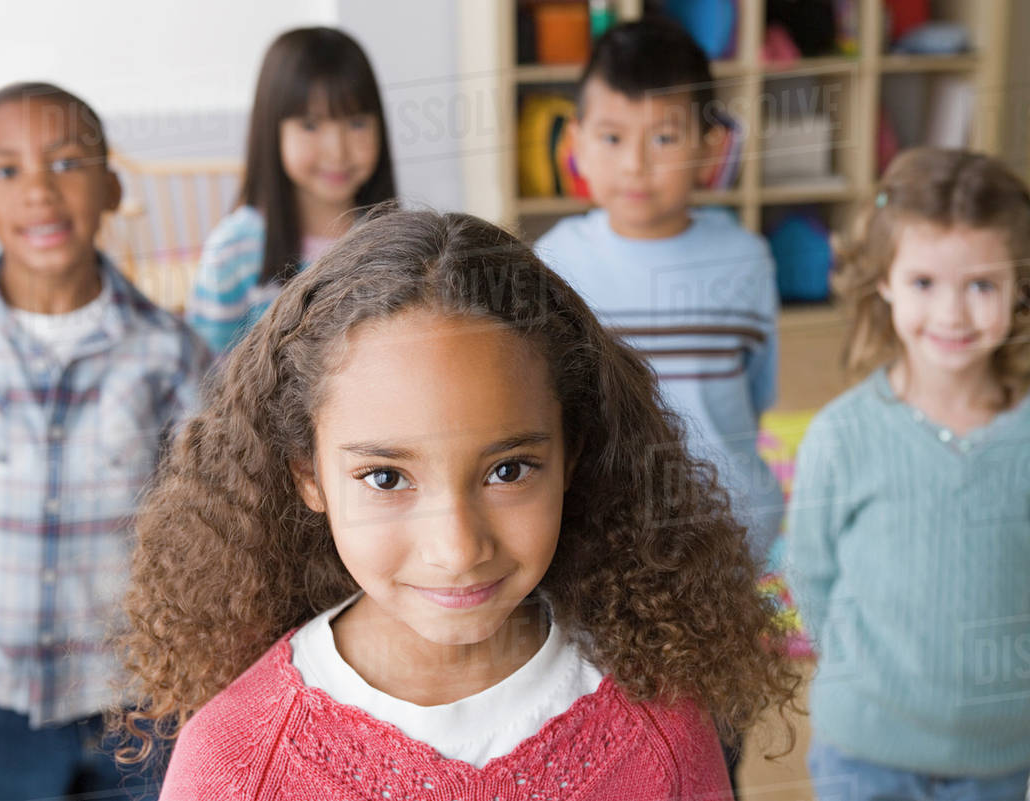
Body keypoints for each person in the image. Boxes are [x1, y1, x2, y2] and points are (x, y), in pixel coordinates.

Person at [115, 208, 799, 799]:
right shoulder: (236, 763)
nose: (458, 547)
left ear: (574, 453)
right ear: (308, 473)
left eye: (507, 470)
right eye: (386, 477)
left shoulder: (665, 731)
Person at [0, 81, 211, 800]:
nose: (39, 190)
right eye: (7, 171)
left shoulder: (170, 352)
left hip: (135, 689)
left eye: (65, 163)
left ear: (112, 186)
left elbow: (193, 508)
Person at [787, 148, 1030, 796]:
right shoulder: (841, 434)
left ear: (1017, 286)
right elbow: (812, 573)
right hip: (864, 749)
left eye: (981, 285)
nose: (952, 314)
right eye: (925, 283)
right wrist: (862, 673)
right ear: (886, 282)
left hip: (999, 755)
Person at [534, 18, 783, 565]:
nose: (635, 164)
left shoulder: (746, 259)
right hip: (604, 532)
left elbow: (756, 398)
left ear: (711, 145)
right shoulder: (554, 262)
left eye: (665, 137)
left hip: (736, 529)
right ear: (575, 143)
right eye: (612, 136)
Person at [185, 26, 397, 354]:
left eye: (356, 123)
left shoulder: (398, 241)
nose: (337, 152)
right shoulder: (233, 252)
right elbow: (204, 381)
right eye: (310, 125)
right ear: (272, 131)